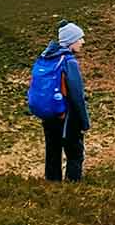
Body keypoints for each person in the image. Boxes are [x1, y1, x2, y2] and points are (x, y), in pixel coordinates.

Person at [27, 21, 90, 181]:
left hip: (49, 115)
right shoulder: (69, 62)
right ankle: (72, 190)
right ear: (71, 41)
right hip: (67, 116)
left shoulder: (46, 57)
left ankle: (52, 188)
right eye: (79, 38)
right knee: (75, 155)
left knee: (52, 153)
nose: (82, 42)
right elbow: (77, 96)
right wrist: (84, 122)